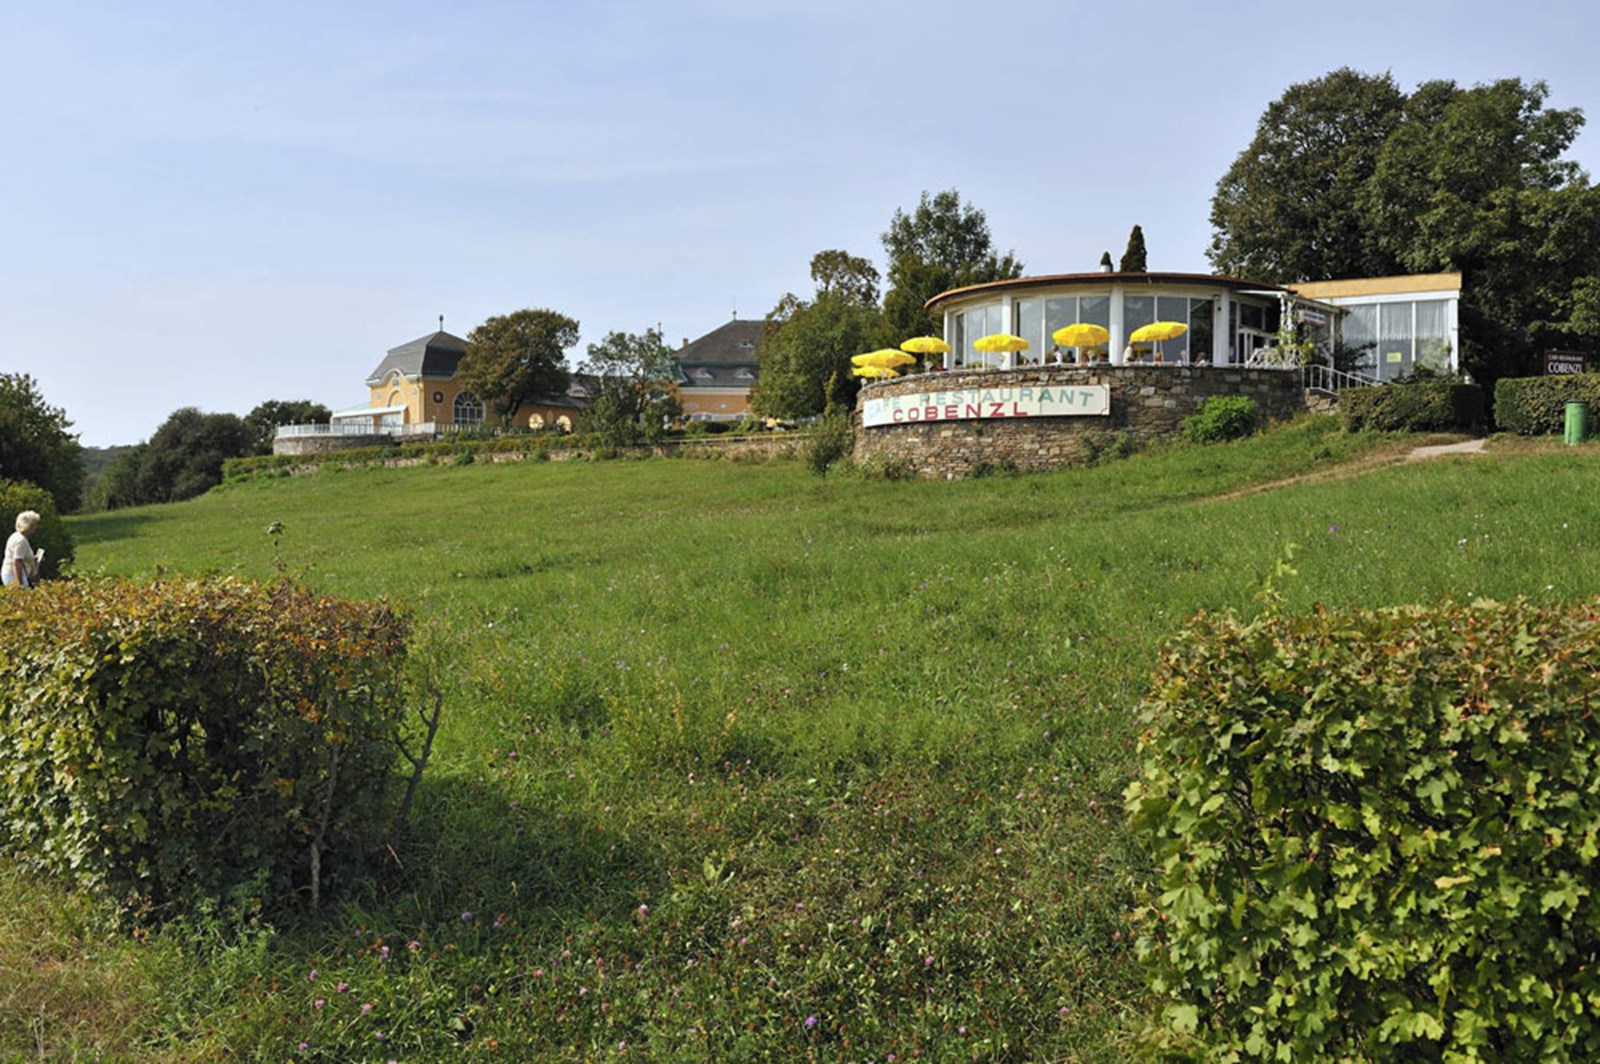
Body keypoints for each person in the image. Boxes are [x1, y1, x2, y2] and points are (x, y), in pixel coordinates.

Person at [4, 510, 41, 589]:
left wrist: (31, 559)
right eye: (35, 524)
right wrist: (20, 583)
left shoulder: (16, 536)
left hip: (10, 574)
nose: (36, 527)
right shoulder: (21, 541)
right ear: (28, 525)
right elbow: (17, 561)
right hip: (13, 576)